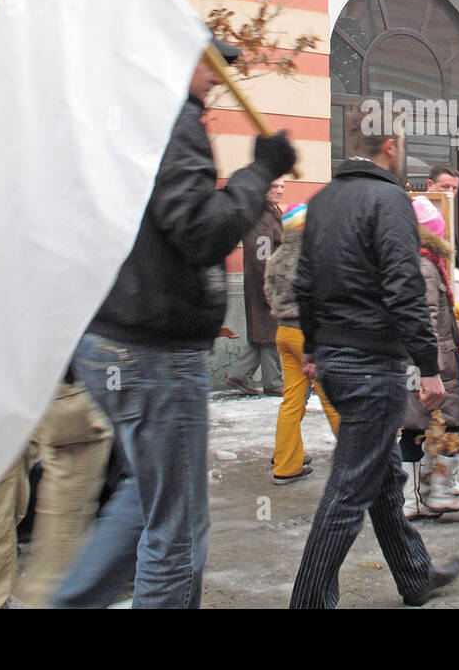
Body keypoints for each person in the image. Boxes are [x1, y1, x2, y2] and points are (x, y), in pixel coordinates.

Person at [54, 46, 297, 608]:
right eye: (209, 58)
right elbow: (199, 232)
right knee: (178, 528)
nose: (218, 73)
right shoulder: (172, 115)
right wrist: (259, 171)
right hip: (154, 350)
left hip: (115, 335)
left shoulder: (121, 114)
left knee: (148, 495)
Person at [289, 107, 459, 609]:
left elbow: (304, 283)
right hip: (372, 367)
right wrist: (428, 367)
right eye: (402, 138)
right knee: (348, 492)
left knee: (383, 476)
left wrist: (316, 348)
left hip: (339, 365)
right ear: (390, 143)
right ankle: (309, 600)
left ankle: (415, 575)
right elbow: (403, 288)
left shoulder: (322, 200)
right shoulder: (389, 199)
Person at [400, 196, 459, 519]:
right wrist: (431, 364)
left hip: (425, 359)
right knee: (443, 423)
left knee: (419, 425)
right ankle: (429, 491)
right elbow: (425, 317)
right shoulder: (425, 266)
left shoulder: (420, 262)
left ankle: (422, 491)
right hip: (430, 362)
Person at [265, 203, 339, 484]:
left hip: (283, 332)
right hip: (309, 336)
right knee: (332, 398)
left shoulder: (276, 256)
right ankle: (358, 462)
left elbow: (268, 295)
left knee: (291, 402)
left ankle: (285, 464)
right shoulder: (314, 256)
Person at [227, 176, 287, 396]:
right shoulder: (261, 217)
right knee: (269, 330)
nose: (280, 190)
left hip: (269, 280)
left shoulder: (270, 212)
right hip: (263, 281)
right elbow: (261, 256)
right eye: (275, 186)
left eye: (282, 186)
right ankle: (273, 382)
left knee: (262, 331)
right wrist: (269, 287)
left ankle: (239, 374)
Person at [428, 164, 459, 297]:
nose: (450, 193)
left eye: (454, 188)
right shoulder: (419, 211)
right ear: (430, 185)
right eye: (445, 187)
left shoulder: (446, 215)